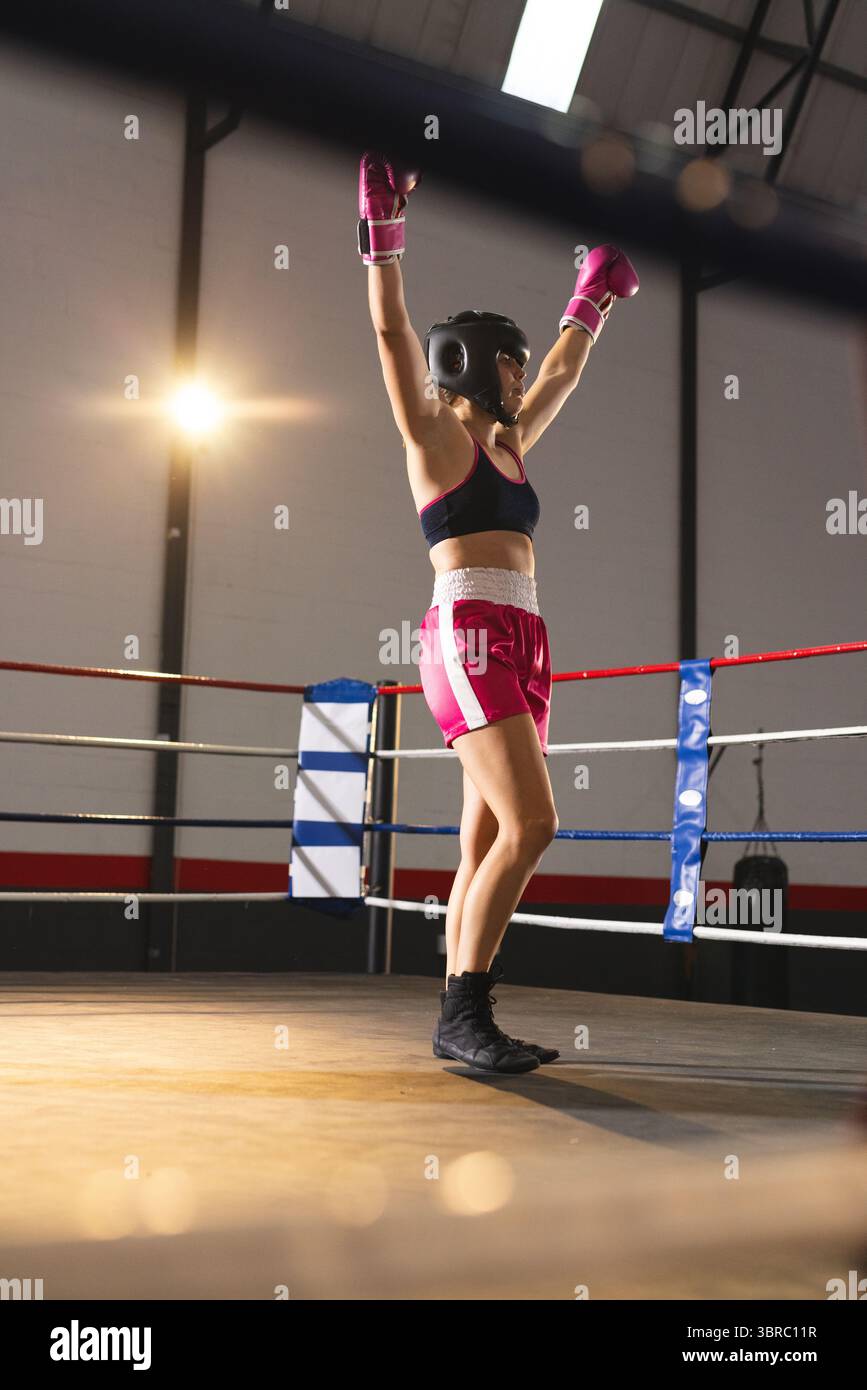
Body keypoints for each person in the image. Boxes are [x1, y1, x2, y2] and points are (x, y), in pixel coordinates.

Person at [359, 152, 639, 1073]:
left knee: (483, 836)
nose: (521, 377)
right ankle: (460, 1012)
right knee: (534, 825)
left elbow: (562, 374)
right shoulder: (437, 438)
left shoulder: (511, 443)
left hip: (522, 639)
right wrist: (383, 234)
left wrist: (590, 296)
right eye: (507, 363)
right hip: (471, 633)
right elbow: (394, 337)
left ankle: (462, 1018)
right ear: (471, 364)